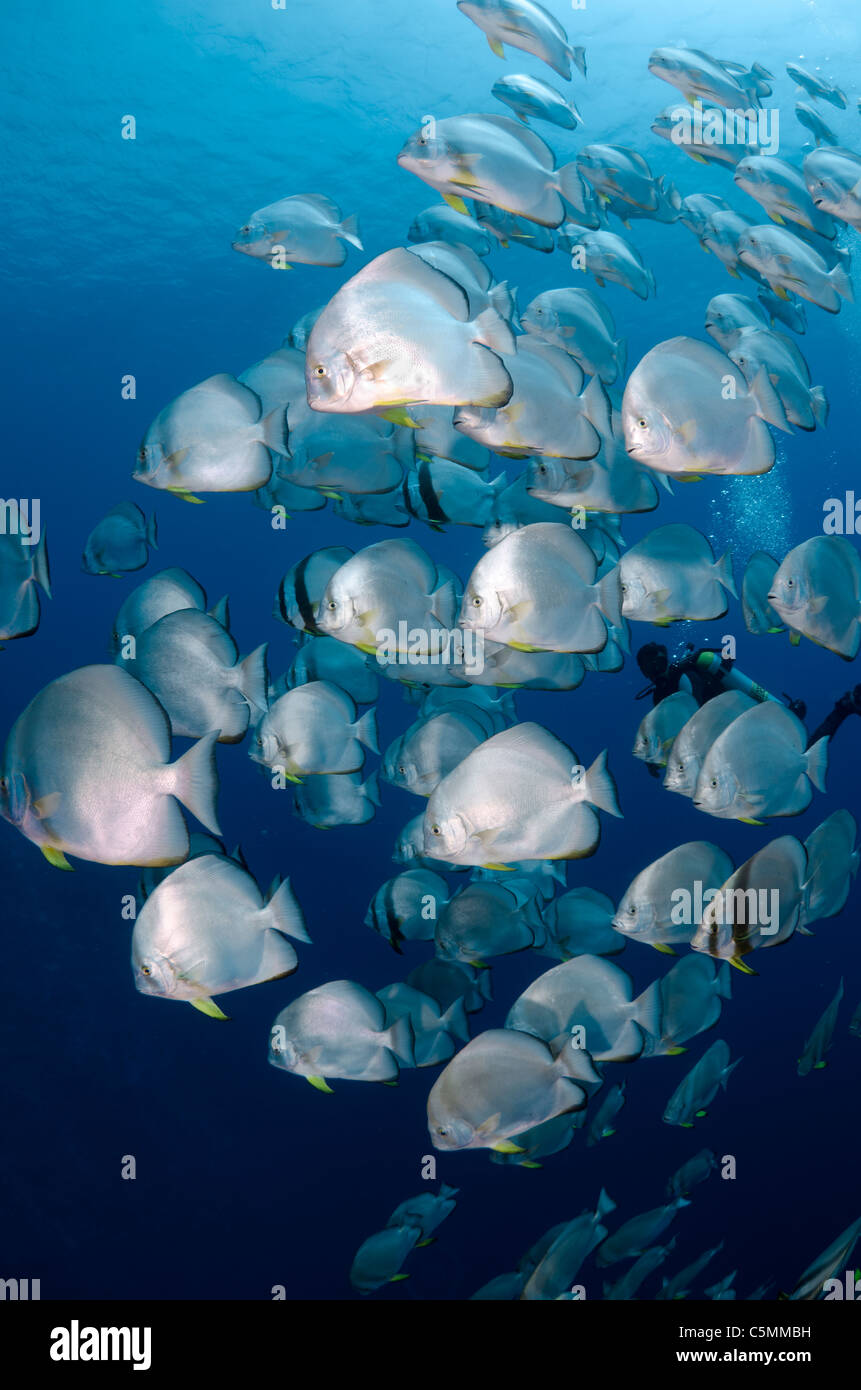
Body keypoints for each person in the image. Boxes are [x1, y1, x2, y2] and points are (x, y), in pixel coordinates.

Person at [635, 641, 861, 750]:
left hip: (746, 717)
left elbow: (694, 714)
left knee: (802, 754)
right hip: (732, 729)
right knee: (801, 755)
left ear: (667, 660)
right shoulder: (658, 698)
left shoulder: (684, 675)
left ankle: (842, 708)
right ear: (643, 672)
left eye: (659, 662)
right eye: (649, 667)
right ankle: (843, 707)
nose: (656, 670)